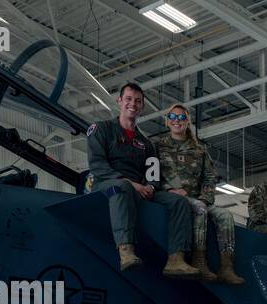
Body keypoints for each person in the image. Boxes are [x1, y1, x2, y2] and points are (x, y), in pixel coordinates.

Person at [87, 82, 199, 278]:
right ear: (119, 101)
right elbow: (98, 166)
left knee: (179, 202)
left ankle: (176, 259)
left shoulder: (146, 143)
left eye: (138, 101)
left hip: (139, 189)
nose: (133, 104)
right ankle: (126, 251)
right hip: (107, 185)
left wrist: (150, 187)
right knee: (121, 186)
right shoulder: (101, 129)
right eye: (129, 99)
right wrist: (131, 183)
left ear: (142, 107)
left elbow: (153, 175)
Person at [149, 102, 243, 284]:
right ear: (167, 122)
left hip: (197, 198)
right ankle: (199, 261)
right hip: (171, 197)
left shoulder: (200, 150)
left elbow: (209, 178)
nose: (177, 121)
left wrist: (205, 198)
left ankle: (226, 267)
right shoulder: (157, 147)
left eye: (182, 117)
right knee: (199, 209)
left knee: (225, 215)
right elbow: (152, 176)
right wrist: (169, 190)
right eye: (173, 117)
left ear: (187, 122)